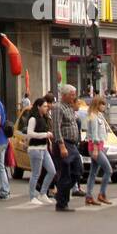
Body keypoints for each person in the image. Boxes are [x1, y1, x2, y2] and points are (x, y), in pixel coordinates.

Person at [52, 84, 84, 212]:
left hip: (72, 144)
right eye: (71, 95)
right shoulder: (58, 107)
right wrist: (61, 146)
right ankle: (62, 202)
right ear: (64, 95)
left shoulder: (69, 107)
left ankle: (61, 194)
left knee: (78, 170)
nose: (74, 97)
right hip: (64, 144)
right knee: (65, 173)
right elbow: (56, 127)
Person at [26, 96, 56, 205]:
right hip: (35, 149)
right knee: (36, 174)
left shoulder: (43, 118)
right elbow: (30, 133)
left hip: (44, 148)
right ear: (38, 107)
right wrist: (45, 135)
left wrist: (49, 138)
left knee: (52, 171)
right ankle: (32, 196)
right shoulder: (33, 119)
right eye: (44, 106)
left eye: (47, 106)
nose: (46, 108)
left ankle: (43, 193)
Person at [85, 94, 112, 206]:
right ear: (97, 104)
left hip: (99, 146)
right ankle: (102, 194)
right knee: (108, 170)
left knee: (93, 173)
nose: (104, 107)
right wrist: (96, 149)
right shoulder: (94, 117)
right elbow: (94, 133)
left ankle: (89, 196)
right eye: (102, 104)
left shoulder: (99, 115)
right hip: (95, 147)